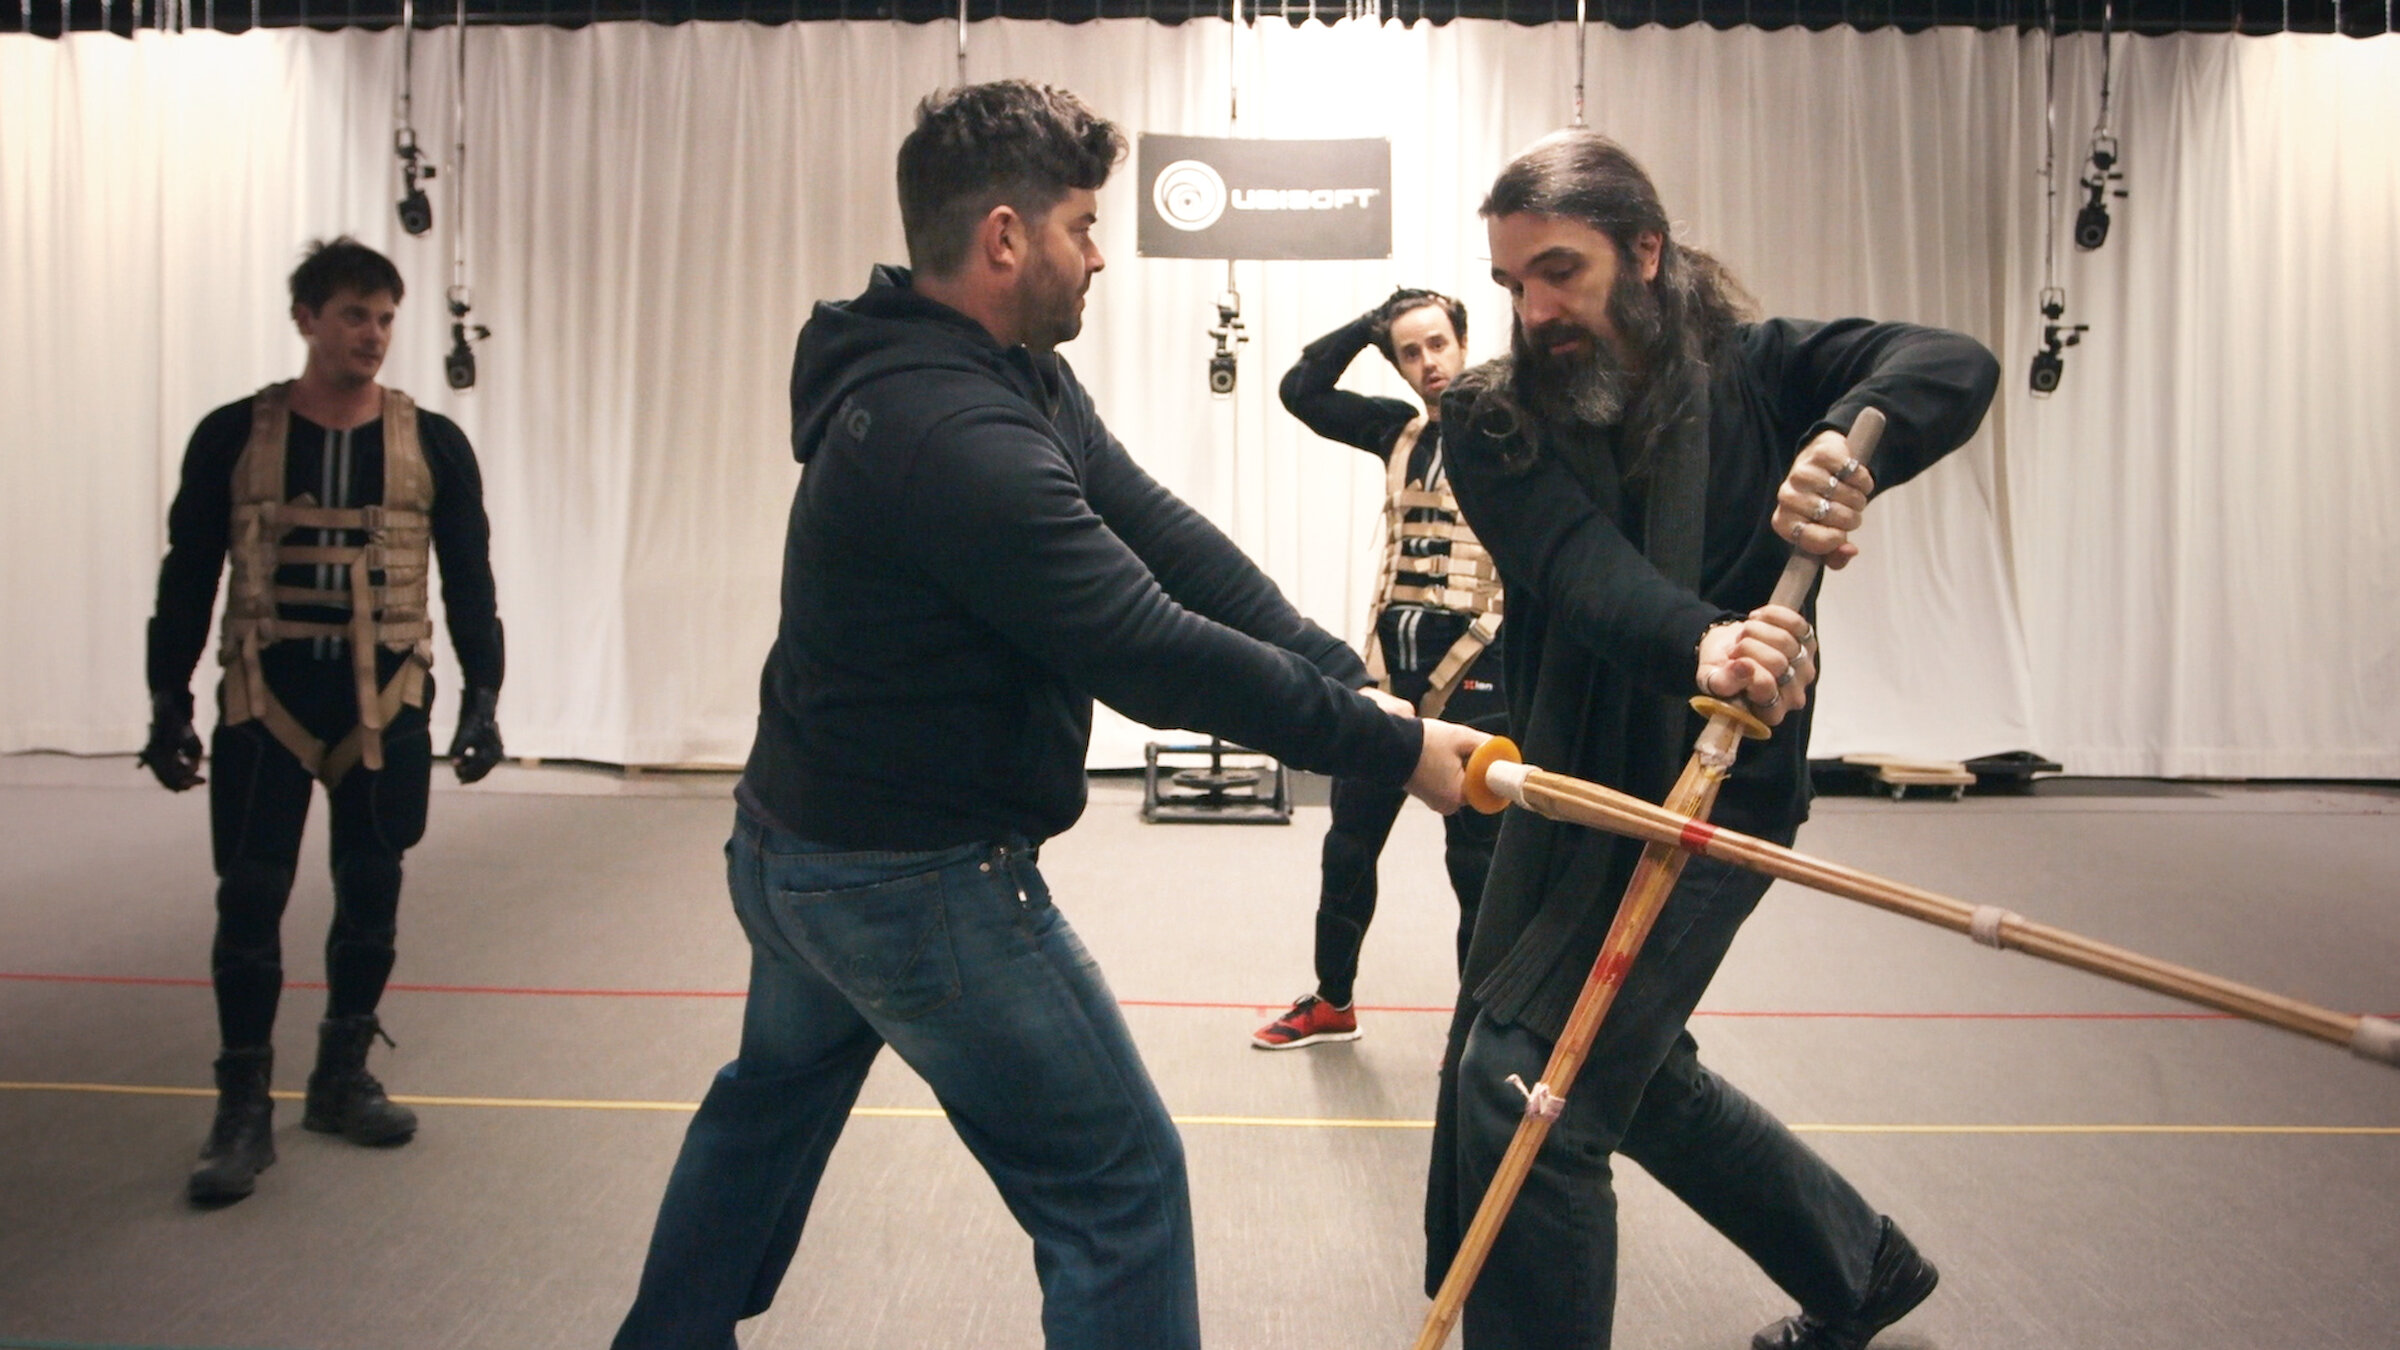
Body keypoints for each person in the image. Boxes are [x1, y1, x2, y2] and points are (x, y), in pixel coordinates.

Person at [609, 81, 1487, 1350]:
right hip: (912, 882)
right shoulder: (951, 431)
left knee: (766, 1111)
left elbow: (1163, 534)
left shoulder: (1007, 375)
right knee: (1119, 1190)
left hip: (798, 849)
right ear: (1007, 238)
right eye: (1084, 226)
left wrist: (1342, 676)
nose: (1100, 255)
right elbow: (1145, 647)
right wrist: (1396, 747)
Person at [1422, 130, 2000, 1350]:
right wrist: (1707, 644)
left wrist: (1849, 438)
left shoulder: (1764, 374)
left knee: (1530, 1086)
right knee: (1625, 1075)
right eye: (1513, 283)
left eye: (1560, 272)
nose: (1534, 310)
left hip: (1721, 801)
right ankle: (1861, 1268)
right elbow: (1577, 568)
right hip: (1578, 792)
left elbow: (1952, 360)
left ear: (1645, 252)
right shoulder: (1490, 416)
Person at [143, 236, 507, 1206]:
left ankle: (342, 1078)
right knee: (251, 895)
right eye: (353, 315)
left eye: (385, 318)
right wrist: (167, 694)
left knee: (372, 888)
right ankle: (243, 1105)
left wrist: (484, 691)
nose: (373, 335)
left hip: (384, 704)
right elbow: (189, 570)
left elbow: (469, 575)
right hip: (266, 701)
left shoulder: (433, 443)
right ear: (306, 318)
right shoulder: (234, 435)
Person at [1254, 290, 1507, 1050]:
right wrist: (1367, 326)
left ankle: (1478, 1030)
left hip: (1481, 670)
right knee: (1349, 844)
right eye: (1410, 352)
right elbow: (1302, 391)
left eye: (1439, 344)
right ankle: (1333, 1002)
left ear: (1463, 344)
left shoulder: (1514, 430)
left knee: (1476, 864)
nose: (1429, 363)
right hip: (1388, 674)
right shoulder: (1394, 432)